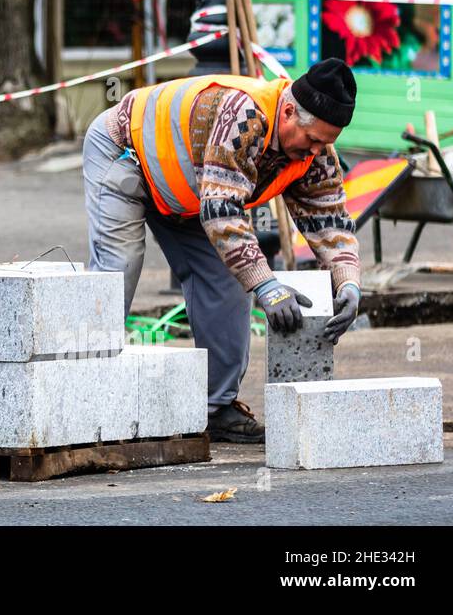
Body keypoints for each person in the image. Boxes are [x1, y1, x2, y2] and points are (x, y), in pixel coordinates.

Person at [82, 58, 363, 442]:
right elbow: (222, 211)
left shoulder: (316, 151)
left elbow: (330, 220)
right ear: (288, 111)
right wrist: (266, 284)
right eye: (312, 139)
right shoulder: (244, 115)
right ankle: (83, 400)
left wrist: (348, 282)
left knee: (229, 285)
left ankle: (215, 407)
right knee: (119, 268)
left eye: (326, 143)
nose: (315, 150)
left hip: (189, 192)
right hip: (125, 154)